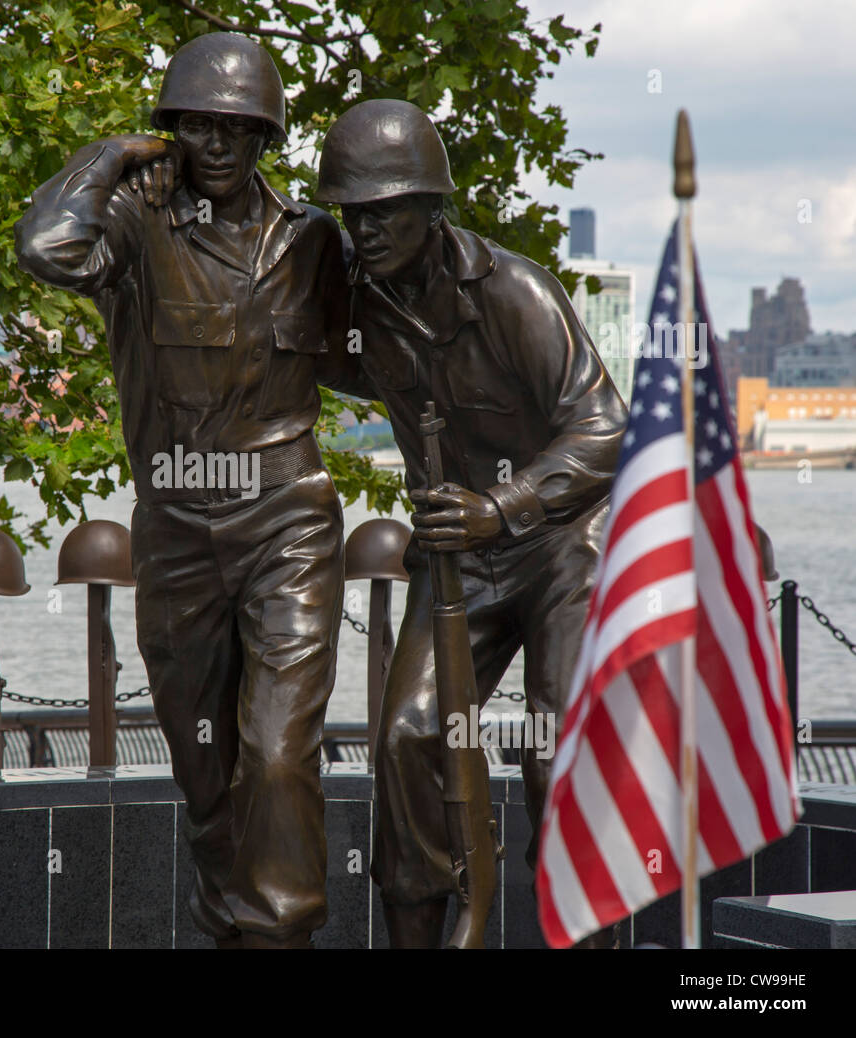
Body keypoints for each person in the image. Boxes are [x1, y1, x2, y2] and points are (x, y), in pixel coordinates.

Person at [15, 32, 352, 948]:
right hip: (176, 525)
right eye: (193, 124)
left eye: (235, 126)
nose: (214, 141)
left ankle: (281, 935)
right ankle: (231, 929)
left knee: (278, 755)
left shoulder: (313, 241)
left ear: (265, 135)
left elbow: (382, 357)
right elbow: (46, 246)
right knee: (205, 777)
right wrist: (112, 157)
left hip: (288, 520)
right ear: (169, 130)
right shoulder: (134, 225)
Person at [314, 99, 628, 948]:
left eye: (385, 212)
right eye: (353, 214)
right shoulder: (352, 303)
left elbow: (603, 427)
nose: (367, 230)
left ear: (431, 207)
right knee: (408, 741)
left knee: (557, 752)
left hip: (562, 542)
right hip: (462, 560)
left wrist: (505, 505)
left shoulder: (516, 291)